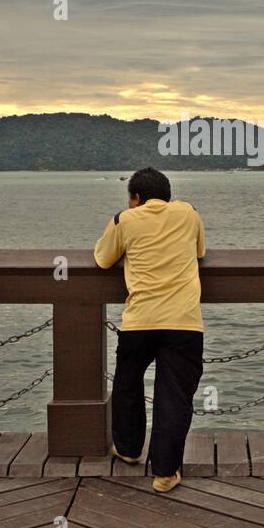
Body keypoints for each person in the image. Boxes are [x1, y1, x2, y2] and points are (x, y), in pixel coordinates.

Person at [93, 167, 205, 493]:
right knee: (174, 397)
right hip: (183, 322)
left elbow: (102, 259)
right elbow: (200, 252)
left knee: (127, 384)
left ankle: (128, 449)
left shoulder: (125, 220)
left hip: (140, 321)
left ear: (136, 198)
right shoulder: (188, 213)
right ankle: (165, 473)